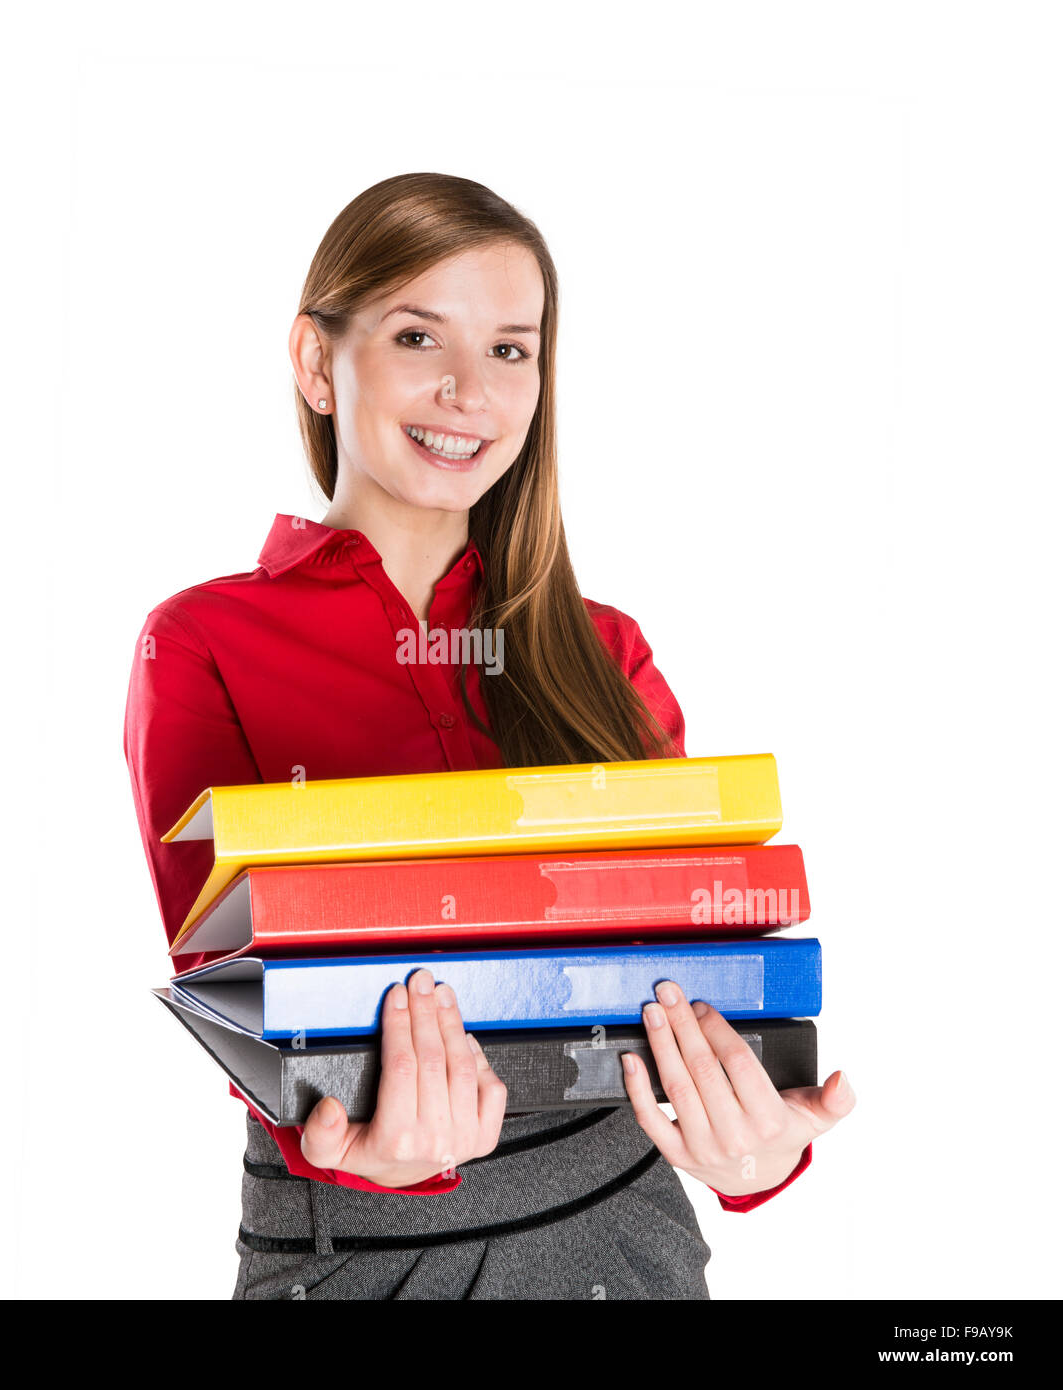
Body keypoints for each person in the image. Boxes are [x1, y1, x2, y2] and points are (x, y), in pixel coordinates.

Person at [123, 171, 856, 1300]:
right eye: (420, 335)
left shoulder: (603, 651)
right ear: (318, 364)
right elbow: (233, 987)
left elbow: (694, 981)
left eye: (512, 350)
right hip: (354, 1253)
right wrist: (381, 1156)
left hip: (626, 1242)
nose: (469, 389)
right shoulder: (204, 639)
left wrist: (758, 1156)